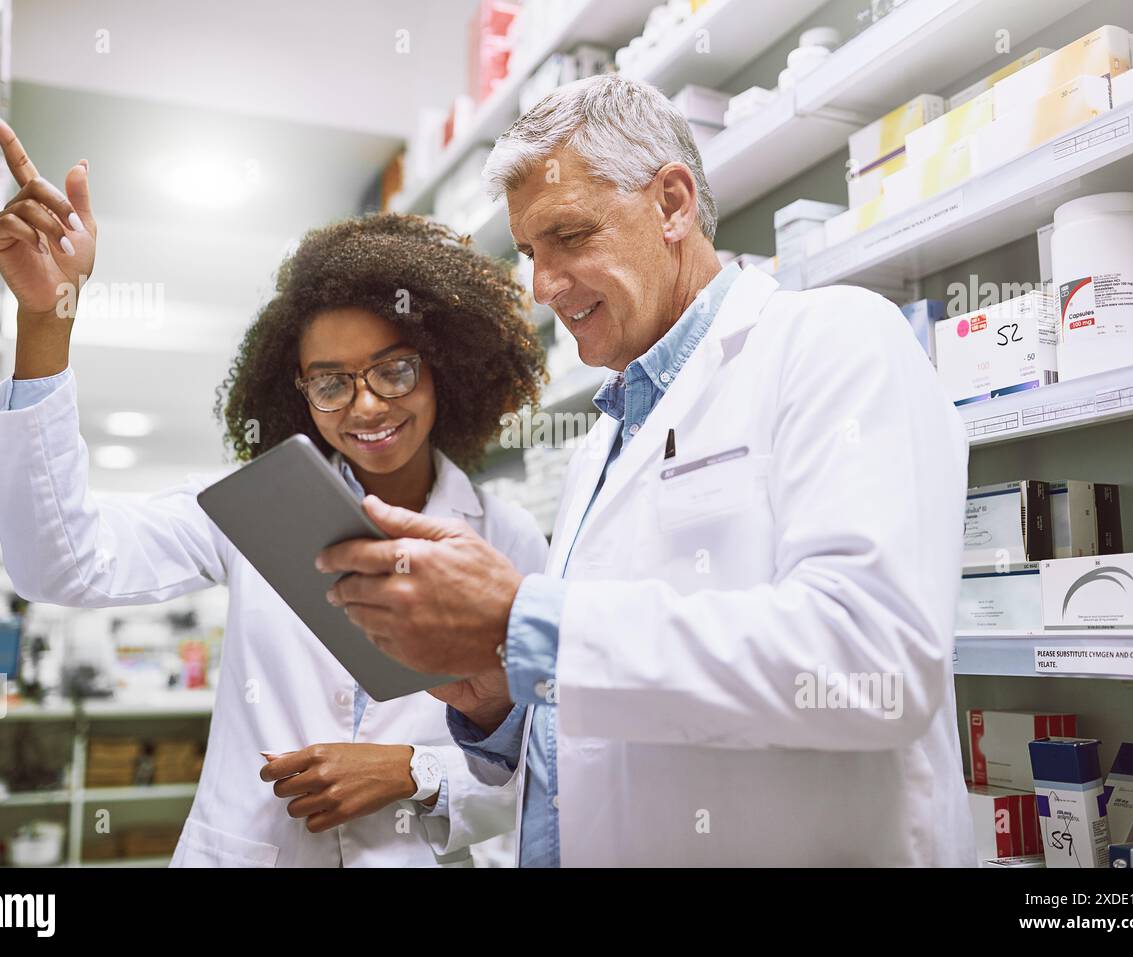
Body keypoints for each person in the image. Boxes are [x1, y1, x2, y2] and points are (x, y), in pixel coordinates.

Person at [317, 74, 978, 866]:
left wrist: (521, 623)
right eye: (529, 252)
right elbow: (603, 719)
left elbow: (874, 665)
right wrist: (498, 696)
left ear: (671, 203)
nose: (542, 286)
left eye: (569, 235)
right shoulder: (604, 439)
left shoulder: (834, 341)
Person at [0, 114, 548, 867]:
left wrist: (418, 770)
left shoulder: (509, 540)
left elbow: (547, 759)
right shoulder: (249, 503)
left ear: (444, 366)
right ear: (298, 389)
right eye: (331, 381)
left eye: (395, 369)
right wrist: (45, 318)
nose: (367, 404)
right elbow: (58, 562)